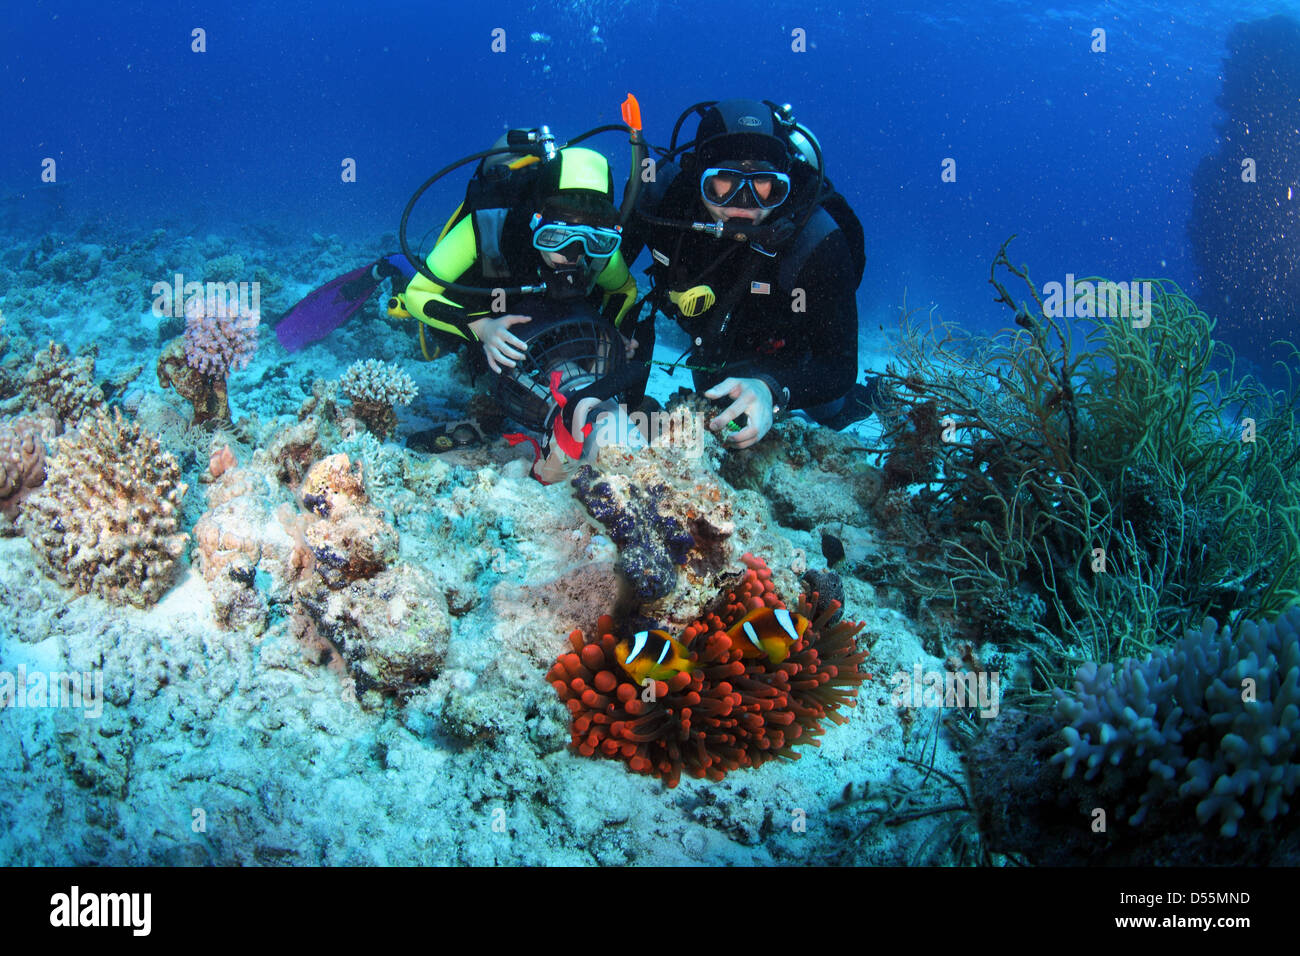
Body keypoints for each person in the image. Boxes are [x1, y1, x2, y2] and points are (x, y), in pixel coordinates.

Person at [621, 98, 869, 449]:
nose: (744, 202)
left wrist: (773, 389)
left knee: (831, 411)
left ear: (784, 185)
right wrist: (613, 333)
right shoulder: (661, 201)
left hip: (786, 355)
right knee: (719, 406)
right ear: (696, 177)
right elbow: (603, 273)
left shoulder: (817, 238)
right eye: (722, 182)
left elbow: (839, 366)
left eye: (764, 185)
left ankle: (870, 400)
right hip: (711, 348)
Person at [395, 143, 639, 375]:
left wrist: (609, 331)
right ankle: (394, 263)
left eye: (592, 238)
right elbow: (417, 293)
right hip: (477, 313)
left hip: (540, 329)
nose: (572, 254)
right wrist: (481, 328)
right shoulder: (489, 227)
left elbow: (624, 289)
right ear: (536, 220)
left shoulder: (600, 248)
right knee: (455, 347)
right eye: (556, 235)